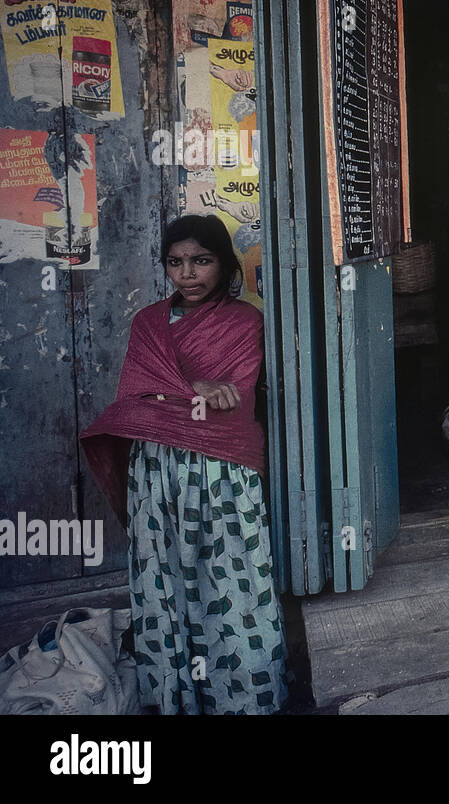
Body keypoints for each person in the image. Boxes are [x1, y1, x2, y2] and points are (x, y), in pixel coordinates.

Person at [80, 214, 288, 715]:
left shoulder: (245, 322)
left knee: (229, 580)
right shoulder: (148, 324)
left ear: (224, 264)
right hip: (156, 469)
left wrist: (177, 395)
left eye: (201, 261)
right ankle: (177, 697)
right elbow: (133, 400)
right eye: (176, 263)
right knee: (163, 579)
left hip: (220, 472)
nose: (188, 274)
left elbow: (235, 402)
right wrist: (189, 389)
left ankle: (244, 699)